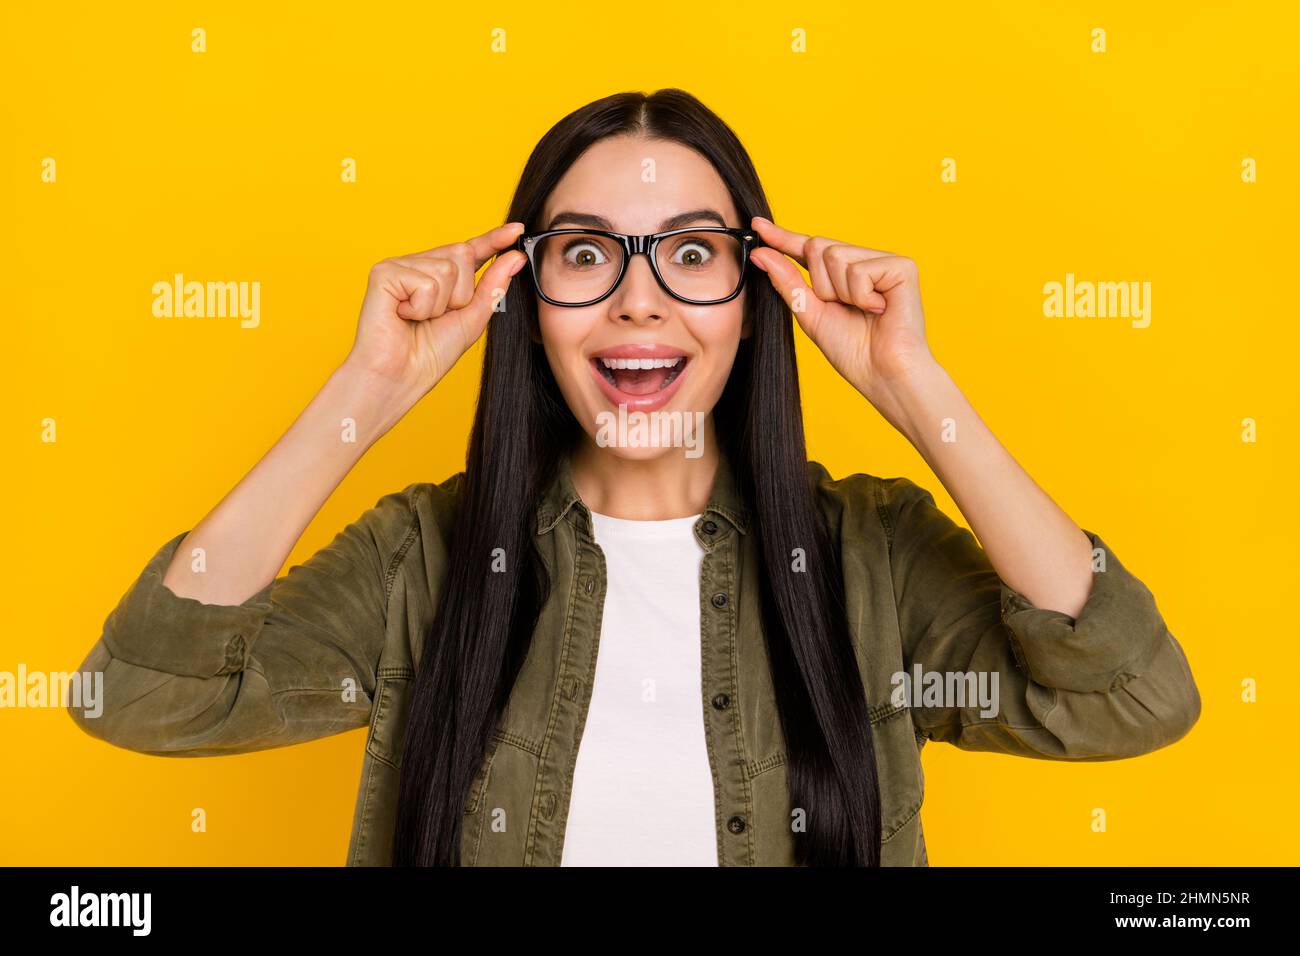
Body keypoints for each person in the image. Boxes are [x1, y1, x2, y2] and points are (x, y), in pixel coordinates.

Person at [67, 88, 1201, 867]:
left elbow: (1125, 696)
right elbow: (143, 694)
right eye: (586, 252)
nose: (639, 298)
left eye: (692, 252)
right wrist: (367, 385)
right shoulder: (429, 557)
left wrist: (913, 387)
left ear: (758, 303)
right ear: (526, 297)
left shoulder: (867, 555)